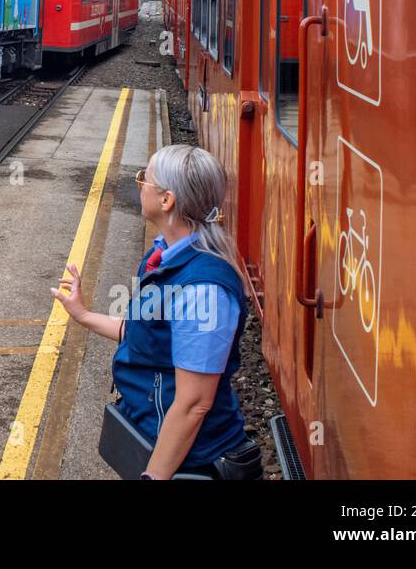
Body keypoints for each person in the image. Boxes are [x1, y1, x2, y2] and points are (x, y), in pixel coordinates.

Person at [51, 143, 261, 479]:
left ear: (167, 200)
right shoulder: (165, 255)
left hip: (190, 462)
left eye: (144, 180)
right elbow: (147, 335)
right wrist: (83, 314)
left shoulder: (203, 290)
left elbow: (194, 404)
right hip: (155, 437)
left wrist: (155, 476)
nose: (139, 187)